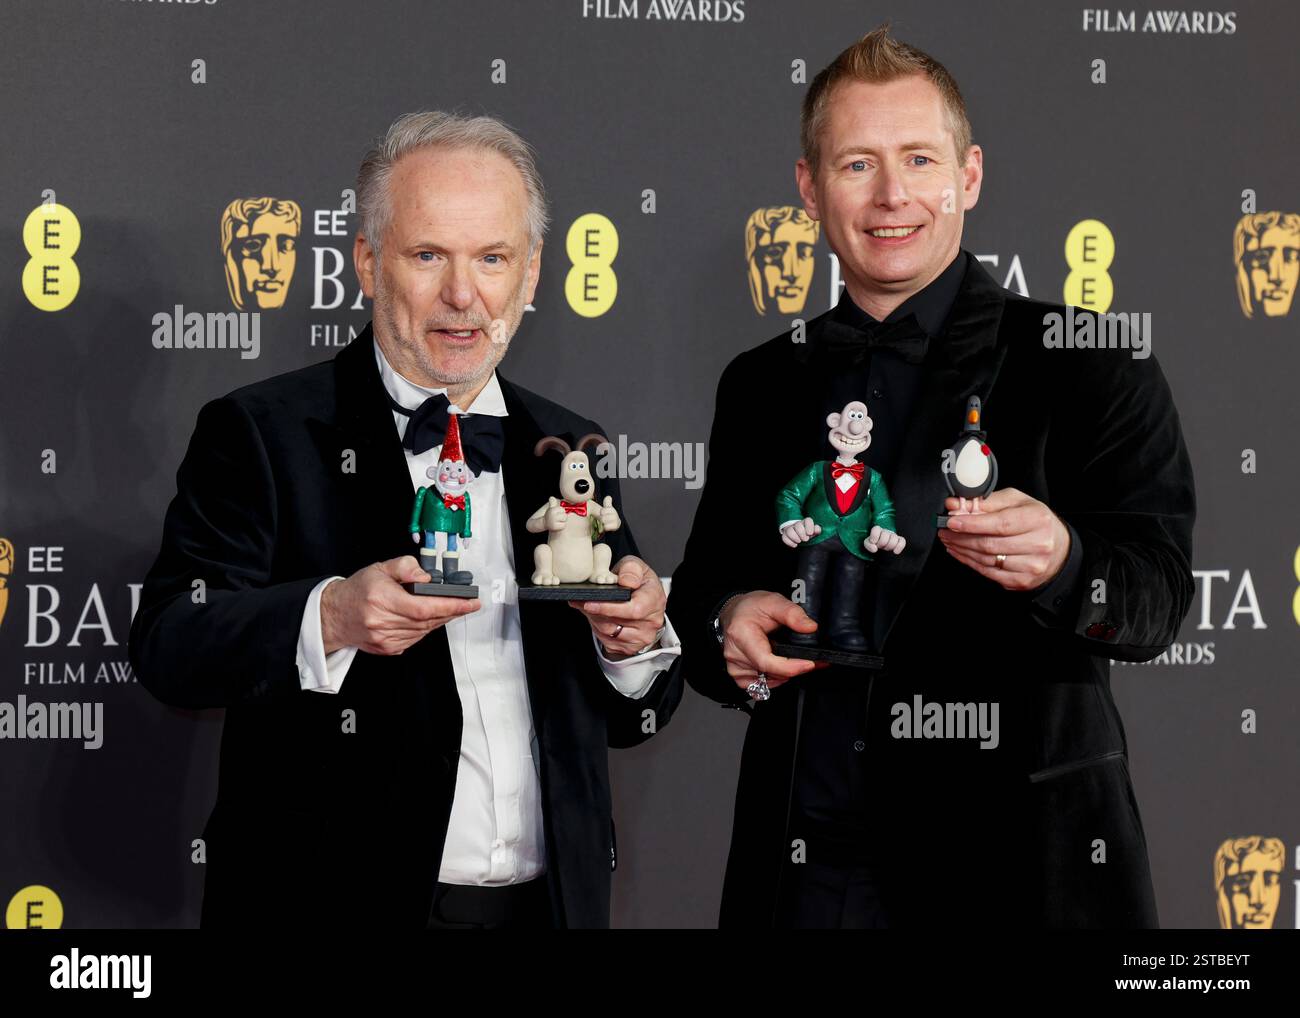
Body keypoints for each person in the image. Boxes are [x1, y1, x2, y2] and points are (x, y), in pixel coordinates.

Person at [667, 25, 1196, 928]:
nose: (891, 196)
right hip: (801, 873)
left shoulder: (1089, 361)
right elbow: (704, 590)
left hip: (1015, 872)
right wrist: (726, 620)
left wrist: (1066, 562)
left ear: (970, 175)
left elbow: (1155, 601)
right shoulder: (760, 382)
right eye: (856, 164)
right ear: (807, 187)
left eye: (918, 158)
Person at [130, 110, 683, 930]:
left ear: (531, 276)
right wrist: (332, 616)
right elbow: (171, 643)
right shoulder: (261, 430)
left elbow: (635, 718)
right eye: (428, 255)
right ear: (366, 262)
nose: (463, 295)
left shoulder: (564, 445)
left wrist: (633, 646)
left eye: (492, 258)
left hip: (551, 909)